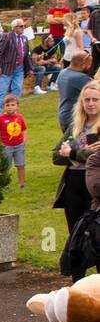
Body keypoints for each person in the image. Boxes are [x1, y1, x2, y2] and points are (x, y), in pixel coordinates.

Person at [54, 80, 100, 241]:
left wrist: (72, 153)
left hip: (94, 184)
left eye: (95, 99)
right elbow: (56, 155)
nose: (91, 103)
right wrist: (77, 156)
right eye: (87, 100)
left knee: (96, 234)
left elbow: (95, 157)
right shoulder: (76, 126)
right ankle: (75, 265)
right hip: (73, 184)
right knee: (75, 233)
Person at [0, 18, 31, 116]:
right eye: (21, 26)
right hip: (6, 68)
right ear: (14, 27)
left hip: (20, 68)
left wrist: (29, 68)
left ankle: (14, 110)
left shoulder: (24, 38)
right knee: (2, 90)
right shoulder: (7, 37)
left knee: (17, 88)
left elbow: (26, 54)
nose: (23, 28)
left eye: (24, 26)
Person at [0, 95, 28, 189]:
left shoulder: (20, 117)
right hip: (6, 146)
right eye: (7, 105)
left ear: (17, 106)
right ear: (4, 106)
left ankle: (22, 184)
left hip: (19, 145)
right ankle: (5, 185)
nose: (10, 107)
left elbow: (24, 129)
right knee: (6, 166)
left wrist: (24, 140)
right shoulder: (0, 119)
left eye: (12, 105)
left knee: (21, 164)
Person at [58, 51, 95, 133]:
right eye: (89, 64)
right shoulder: (80, 78)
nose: (90, 67)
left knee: (74, 144)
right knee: (90, 142)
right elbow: (96, 91)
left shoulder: (63, 73)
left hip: (64, 116)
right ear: (82, 64)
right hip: (77, 119)